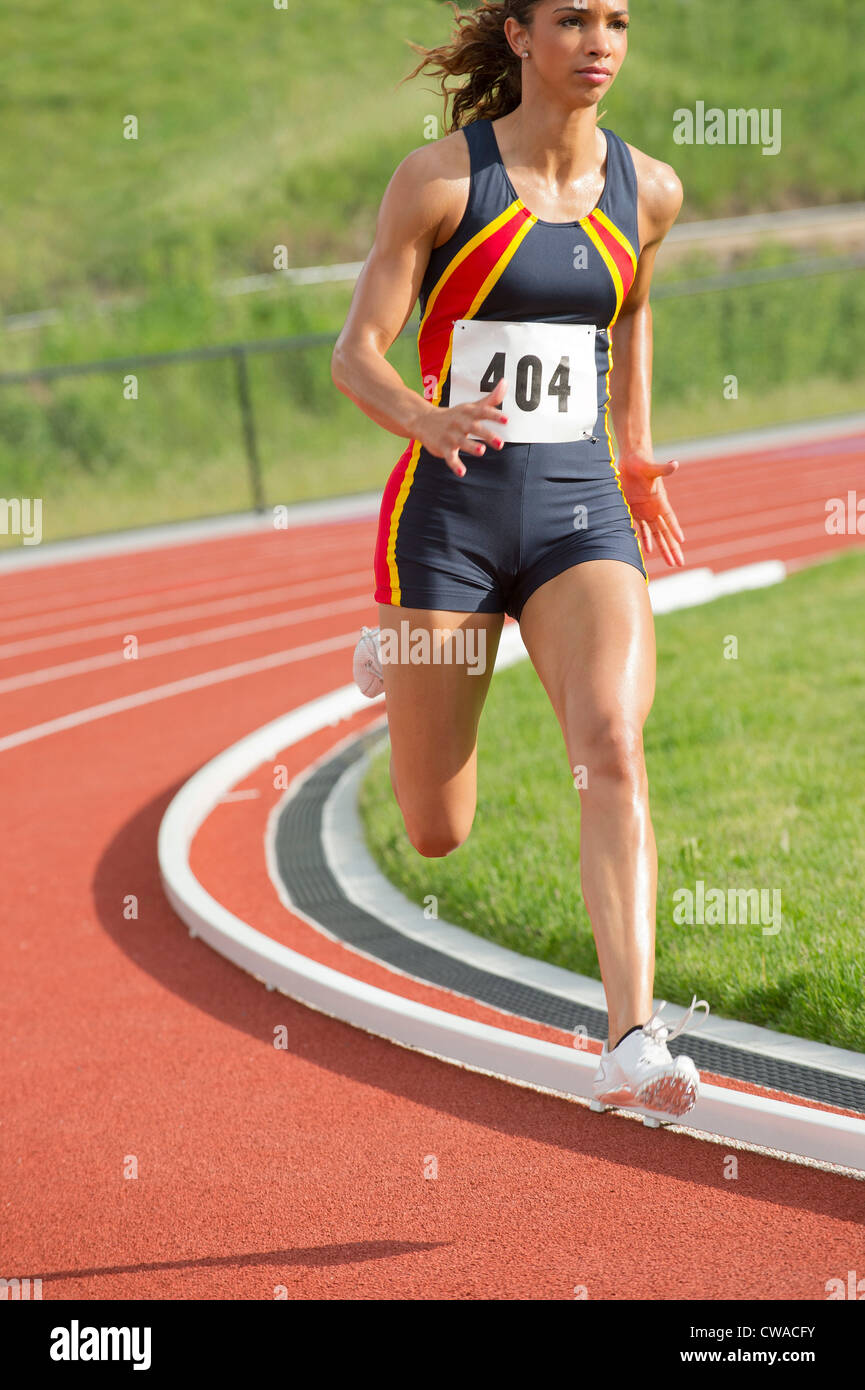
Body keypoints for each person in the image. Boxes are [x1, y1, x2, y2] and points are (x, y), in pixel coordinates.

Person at [332, 0, 708, 1123]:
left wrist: (633, 456)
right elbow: (355, 353)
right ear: (517, 38)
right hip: (447, 512)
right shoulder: (441, 183)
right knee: (437, 831)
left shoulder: (651, 191)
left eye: (619, 23)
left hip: (578, 513)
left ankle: (630, 1038)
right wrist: (421, 418)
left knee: (612, 743)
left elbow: (628, 307)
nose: (600, 43)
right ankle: (402, 656)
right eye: (574, 20)